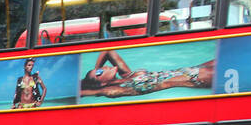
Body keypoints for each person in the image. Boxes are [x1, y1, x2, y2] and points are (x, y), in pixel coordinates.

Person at [80, 49, 214, 98]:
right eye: (99, 73)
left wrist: (98, 69)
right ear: (102, 83)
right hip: (192, 78)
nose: (104, 68)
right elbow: (82, 92)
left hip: (192, 69)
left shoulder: (127, 75)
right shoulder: (113, 90)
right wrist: (97, 82)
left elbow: (107, 51)